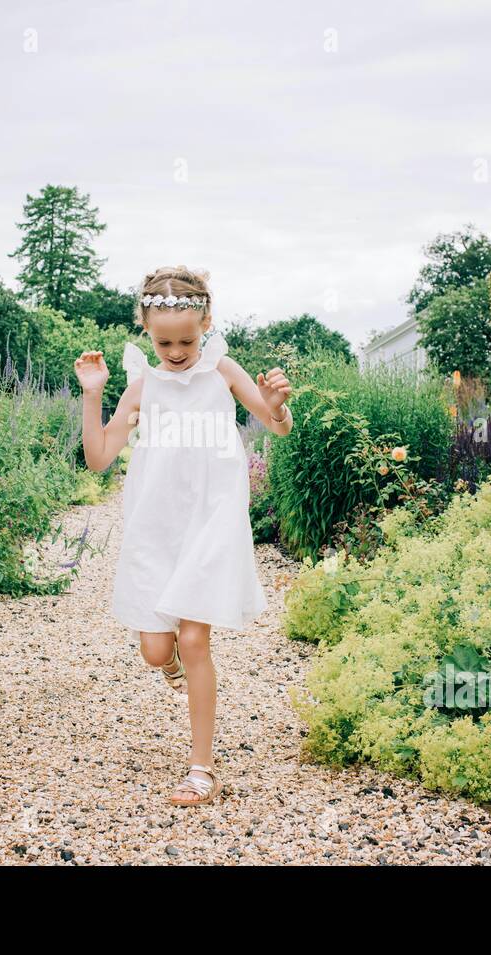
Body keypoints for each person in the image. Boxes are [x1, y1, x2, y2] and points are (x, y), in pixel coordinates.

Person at [73, 266, 293, 806]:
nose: (175, 350)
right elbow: (100, 458)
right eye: (163, 340)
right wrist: (94, 394)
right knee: (155, 650)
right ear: (145, 330)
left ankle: (202, 768)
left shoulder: (222, 372)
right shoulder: (142, 386)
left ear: (208, 325)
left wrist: (278, 401)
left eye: (186, 340)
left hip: (213, 521)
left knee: (195, 640)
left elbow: (276, 425)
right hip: (156, 528)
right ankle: (168, 664)